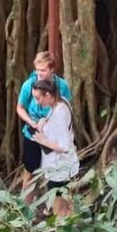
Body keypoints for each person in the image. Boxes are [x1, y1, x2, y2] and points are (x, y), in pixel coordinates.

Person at [16, 51, 71, 200]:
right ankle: (25, 207)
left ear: (52, 69)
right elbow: (20, 108)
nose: (39, 74)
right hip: (33, 134)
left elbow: (65, 108)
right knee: (30, 171)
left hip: (54, 137)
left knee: (55, 173)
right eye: (37, 70)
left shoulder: (61, 86)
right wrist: (31, 122)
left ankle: (55, 207)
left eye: (43, 70)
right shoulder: (29, 85)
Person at [29, 78, 79, 219]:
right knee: (68, 206)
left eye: (38, 98)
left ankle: (61, 231)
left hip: (60, 170)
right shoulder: (61, 103)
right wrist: (43, 122)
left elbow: (64, 146)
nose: (37, 102)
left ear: (48, 95)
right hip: (62, 167)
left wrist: (42, 140)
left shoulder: (60, 113)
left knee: (60, 210)